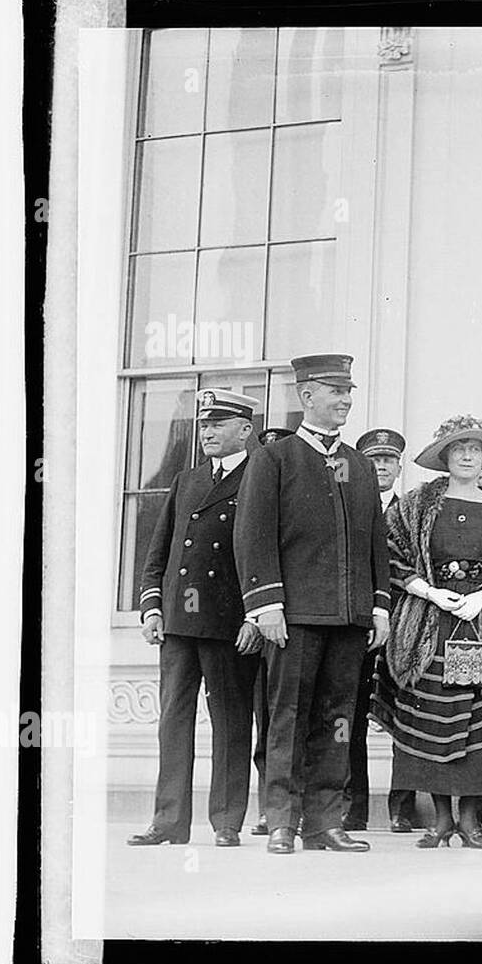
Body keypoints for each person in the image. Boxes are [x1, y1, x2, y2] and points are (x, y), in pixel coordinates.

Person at [235, 354, 391, 854]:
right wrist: (266, 605)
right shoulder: (274, 459)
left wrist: (379, 607)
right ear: (306, 395)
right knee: (287, 718)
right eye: (335, 391)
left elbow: (375, 541)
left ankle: (325, 823)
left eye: (348, 392)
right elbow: (253, 534)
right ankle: (282, 820)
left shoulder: (360, 465)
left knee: (338, 721)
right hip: (293, 617)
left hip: (349, 618)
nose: (345, 400)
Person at [376, 415, 482, 849]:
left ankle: (471, 821)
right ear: (444, 457)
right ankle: (441, 820)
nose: (467, 456)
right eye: (459, 449)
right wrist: (427, 591)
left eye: (475, 450)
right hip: (429, 625)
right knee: (431, 719)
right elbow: (390, 553)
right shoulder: (414, 506)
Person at [130, 390, 262, 848]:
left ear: (245, 430)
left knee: (231, 722)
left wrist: (255, 616)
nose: (207, 432)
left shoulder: (260, 478)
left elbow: (266, 556)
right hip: (177, 625)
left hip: (229, 624)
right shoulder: (186, 480)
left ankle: (226, 821)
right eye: (204, 425)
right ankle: (168, 821)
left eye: (218, 424)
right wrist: (151, 606)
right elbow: (159, 551)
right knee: (173, 721)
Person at [342, 428, 422, 834]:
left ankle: (402, 807)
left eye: (388, 460)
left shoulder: (413, 512)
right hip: (359, 624)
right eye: (374, 460)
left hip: (405, 622)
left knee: (404, 713)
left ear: (399, 467)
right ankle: (352, 805)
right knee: (351, 714)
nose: (381, 467)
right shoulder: (348, 507)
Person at [247, 425, 291, 837]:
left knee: (283, 716)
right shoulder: (246, 497)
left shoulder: (294, 501)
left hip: (286, 624)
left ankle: (287, 809)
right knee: (265, 719)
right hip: (244, 628)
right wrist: (251, 616)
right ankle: (267, 806)